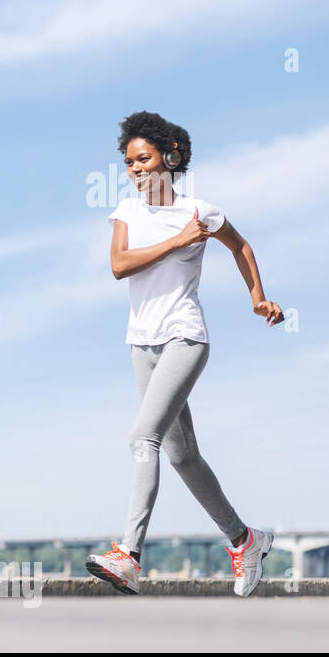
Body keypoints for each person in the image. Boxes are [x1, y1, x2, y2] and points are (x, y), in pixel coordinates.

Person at [86, 111, 285, 596]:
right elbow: (119, 266)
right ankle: (245, 539)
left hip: (185, 338)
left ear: (170, 157)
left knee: (142, 438)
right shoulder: (127, 213)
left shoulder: (200, 211)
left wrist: (257, 297)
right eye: (129, 162)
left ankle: (130, 556)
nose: (135, 169)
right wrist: (177, 242)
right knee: (182, 455)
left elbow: (240, 247)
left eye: (144, 158)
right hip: (142, 343)